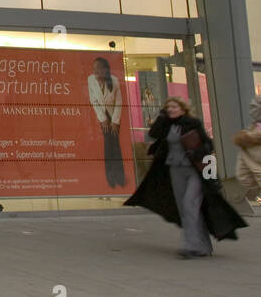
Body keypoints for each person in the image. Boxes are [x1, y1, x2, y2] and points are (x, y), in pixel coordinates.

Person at [125, 97, 247, 257]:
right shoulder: (166, 125)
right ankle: (202, 245)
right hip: (175, 170)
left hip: (193, 171)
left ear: (182, 109)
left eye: (174, 107)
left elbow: (208, 144)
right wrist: (162, 117)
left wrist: (196, 153)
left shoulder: (192, 123)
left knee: (190, 205)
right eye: (168, 107)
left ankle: (191, 246)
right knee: (186, 209)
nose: (171, 110)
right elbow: (153, 134)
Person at [88, 57, 126, 188]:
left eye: (98, 69)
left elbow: (119, 102)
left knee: (116, 146)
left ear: (105, 70)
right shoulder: (91, 80)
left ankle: (120, 178)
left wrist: (115, 121)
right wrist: (103, 119)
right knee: (108, 147)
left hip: (114, 116)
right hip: (101, 117)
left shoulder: (114, 81)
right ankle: (110, 180)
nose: (96, 72)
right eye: (94, 70)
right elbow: (93, 101)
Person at [235, 97, 261, 214]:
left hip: (255, 159)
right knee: (244, 176)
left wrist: (248, 137)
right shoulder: (254, 125)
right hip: (252, 158)